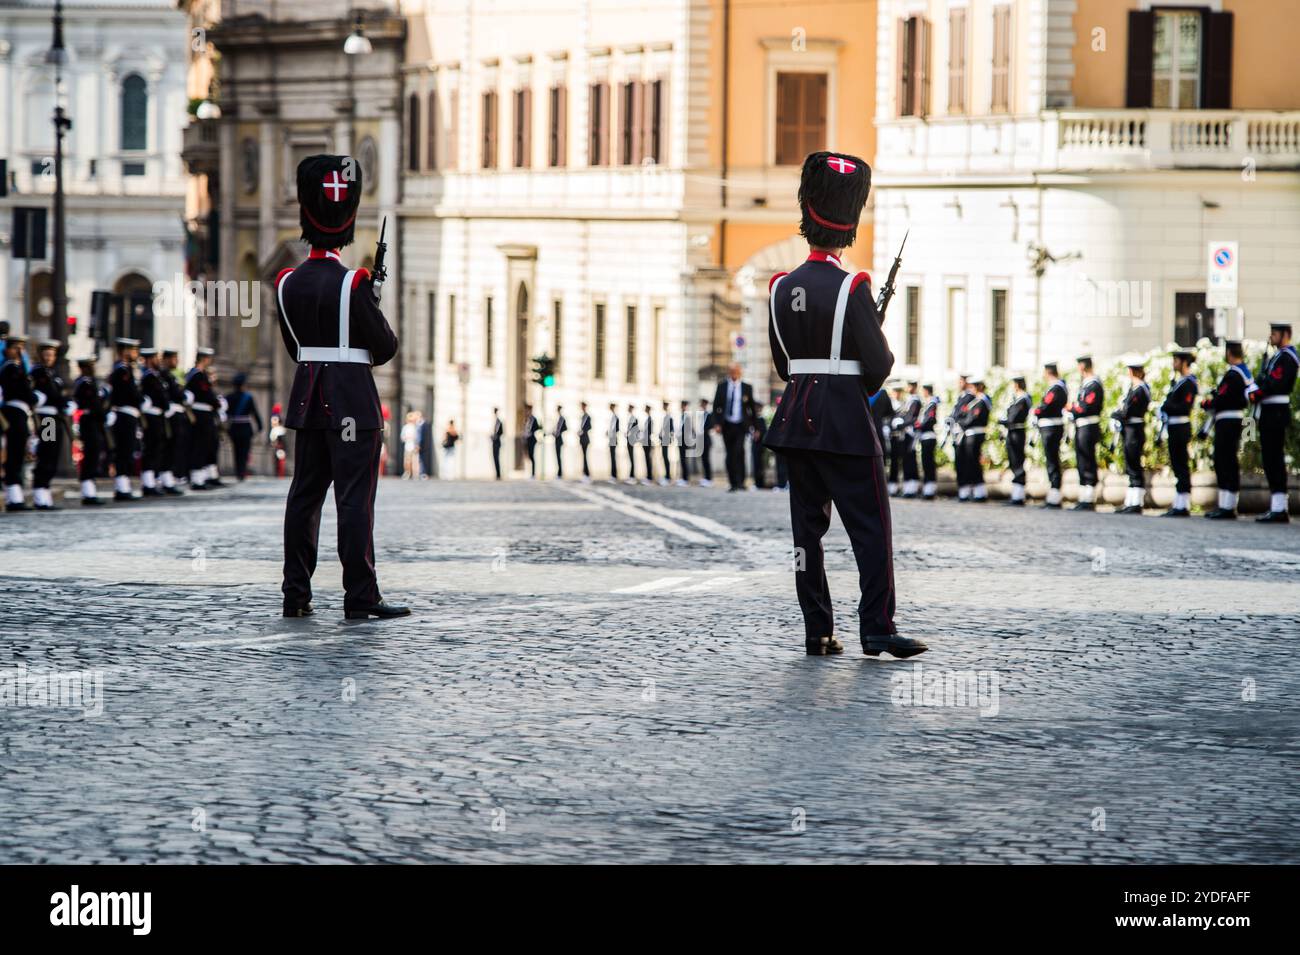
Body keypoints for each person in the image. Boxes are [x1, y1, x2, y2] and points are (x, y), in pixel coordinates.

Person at [763, 149, 926, 660]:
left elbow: (785, 364)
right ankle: (876, 627)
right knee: (871, 530)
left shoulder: (779, 286)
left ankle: (818, 630)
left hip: (796, 420)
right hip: (844, 422)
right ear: (845, 227)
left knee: (805, 538)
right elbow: (878, 367)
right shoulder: (853, 285)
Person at [275, 153, 408, 620]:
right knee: (355, 502)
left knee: (304, 497)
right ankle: (360, 595)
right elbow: (386, 346)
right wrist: (367, 304)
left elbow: (295, 348)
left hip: (308, 400)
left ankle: (296, 593)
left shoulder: (286, 282)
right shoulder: (353, 282)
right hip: (352, 401)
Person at [1202, 340, 1257, 520]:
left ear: (1229, 353)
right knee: (1226, 459)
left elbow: (1223, 397)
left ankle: (1227, 505)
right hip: (1232, 419)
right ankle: (1226, 503)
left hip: (1227, 420)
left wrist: (1208, 403)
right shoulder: (1243, 372)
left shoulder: (1234, 374)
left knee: (1224, 459)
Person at [1253, 322, 1297, 523]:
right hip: (1270, 411)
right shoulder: (1278, 356)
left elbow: (1276, 383)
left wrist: (1258, 391)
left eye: (1275, 333)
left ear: (1285, 334)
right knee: (1270, 458)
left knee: (1274, 458)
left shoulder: (1287, 357)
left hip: (1276, 411)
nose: (1271, 337)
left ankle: (1280, 507)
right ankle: (1276, 505)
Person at [30, 339, 68, 510]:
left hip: (54, 418)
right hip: (47, 420)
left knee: (52, 454)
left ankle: (45, 493)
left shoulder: (52, 373)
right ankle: (40, 493)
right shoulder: (40, 372)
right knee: (47, 453)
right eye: (46, 354)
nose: (49, 358)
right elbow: (53, 395)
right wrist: (63, 402)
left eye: (51, 355)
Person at [1159, 349, 1197, 518]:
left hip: (1181, 426)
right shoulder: (1178, 382)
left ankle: (1184, 504)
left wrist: (1167, 407)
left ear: (1183, 362)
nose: (1173, 364)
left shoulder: (1189, 383)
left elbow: (1184, 407)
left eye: (1176, 361)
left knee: (1181, 464)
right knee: (1176, 463)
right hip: (1174, 427)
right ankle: (1179, 502)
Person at [1112, 359, 1150, 514]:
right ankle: (1131, 500)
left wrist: (1116, 414)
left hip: (1134, 429)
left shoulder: (1140, 389)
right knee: (1130, 463)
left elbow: (1129, 410)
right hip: (1130, 429)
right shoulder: (1134, 388)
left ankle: (1137, 502)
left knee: (1134, 464)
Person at [1, 334, 34, 511]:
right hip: (47, 419)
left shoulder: (27, 370)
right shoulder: (13, 369)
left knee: (43, 449)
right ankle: (38, 492)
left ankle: (40, 494)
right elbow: (26, 392)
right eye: (16, 348)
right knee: (45, 448)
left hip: (36, 416)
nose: (20, 352)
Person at [108, 337, 142, 502]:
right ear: (125, 351)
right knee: (124, 451)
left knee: (128, 451)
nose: (136, 353)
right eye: (133, 350)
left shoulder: (127, 370)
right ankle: (121, 487)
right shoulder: (122, 371)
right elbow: (128, 393)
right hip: (47, 420)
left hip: (129, 415)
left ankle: (124, 486)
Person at [1068, 354, 1104, 511]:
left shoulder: (1093, 384)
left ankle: (1089, 496)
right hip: (1081, 425)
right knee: (1081, 459)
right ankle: (1084, 495)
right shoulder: (1086, 384)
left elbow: (1086, 407)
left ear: (1082, 366)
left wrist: (1072, 409)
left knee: (1087, 459)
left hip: (1089, 425)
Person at [712, 363, 755, 492]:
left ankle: (740, 481)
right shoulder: (722, 386)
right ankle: (733, 482)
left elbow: (751, 408)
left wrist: (755, 426)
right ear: (729, 372)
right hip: (727, 424)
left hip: (741, 425)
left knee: (738, 451)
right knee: (730, 454)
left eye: (736, 371)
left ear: (740, 372)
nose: (734, 373)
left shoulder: (747, 387)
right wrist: (717, 424)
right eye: (732, 371)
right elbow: (716, 406)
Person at [72, 357, 108, 505]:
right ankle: (87, 490)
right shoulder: (85, 383)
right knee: (91, 453)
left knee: (95, 452)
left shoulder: (92, 383)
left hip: (92, 421)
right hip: (49, 420)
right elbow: (93, 404)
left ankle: (89, 489)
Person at [1032, 362, 1068, 508]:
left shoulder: (1056, 388)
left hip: (1051, 428)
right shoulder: (1057, 387)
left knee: (1052, 460)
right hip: (1050, 427)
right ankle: (1053, 493)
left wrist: (1035, 411)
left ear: (1048, 372)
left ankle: (1055, 494)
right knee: (1051, 460)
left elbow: (1046, 406)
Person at [137, 347, 170, 496]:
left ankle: (152, 480)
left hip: (158, 415)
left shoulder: (157, 376)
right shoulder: (148, 377)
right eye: (156, 358)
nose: (159, 360)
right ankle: (148, 482)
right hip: (151, 417)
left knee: (158, 448)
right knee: (151, 448)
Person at [186, 347, 219, 489]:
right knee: (199, 445)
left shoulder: (200, 375)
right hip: (201, 414)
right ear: (204, 359)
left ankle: (202, 477)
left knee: (206, 445)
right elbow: (206, 395)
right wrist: (217, 403)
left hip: (205, 414)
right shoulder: (198, 376)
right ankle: (197, 479)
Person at [956, 377, 991, 502]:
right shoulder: (976, 401)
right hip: (970, 435)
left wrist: (961, 422)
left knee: (975, 463)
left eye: (973, 386)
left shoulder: (981, 401)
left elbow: (971, 419)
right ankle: (976, 490)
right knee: (971, 463)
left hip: (976, 434)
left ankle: (979, 492)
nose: (971, 388)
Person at [159, 348, 188, 495]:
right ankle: (164, 478)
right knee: (167, 447)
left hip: (174, 413)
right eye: (174, 358)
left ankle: (167, 477)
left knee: (173, 447)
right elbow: (174, 394)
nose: (176, 361)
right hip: (168, 414)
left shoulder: (169, 375)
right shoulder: (162, 375)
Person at [999, 375, 1031, 506]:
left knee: (1018, 461)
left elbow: (1013, 417)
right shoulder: (1016, 399)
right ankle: (1016, 493)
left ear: (1017, 385)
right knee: (1013, 461)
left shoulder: (1023, 399)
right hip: (1011, 432)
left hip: (1017, 432)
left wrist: (1004, 421)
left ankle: (1019, 495)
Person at [225, 372, 263, 481]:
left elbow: (226, 412)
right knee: (244, 451)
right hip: (246, 427)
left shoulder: (229, 397)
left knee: (236, 450)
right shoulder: (248, 397)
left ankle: (238, 471)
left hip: (234, 427)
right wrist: (260, 425)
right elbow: (254, 412)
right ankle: (242, 471)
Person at [897, 380, 921, 497]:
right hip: (905, 433)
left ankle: (912, 487)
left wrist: (901, 424)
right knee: (906, 459)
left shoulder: (915, 401)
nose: (908, 388)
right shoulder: (909, 400)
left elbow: (912, 418)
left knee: (910, 459)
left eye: (910, 386)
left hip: (911, 433)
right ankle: (908, 487)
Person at [917, 384, 940, 499]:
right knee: (925, 463)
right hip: (924, 436)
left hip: (929, 436)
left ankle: (930, 489)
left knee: (929, 463)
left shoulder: (932, 404)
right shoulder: (927, 403)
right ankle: (927, 488)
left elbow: (929, 419)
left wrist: (918, 426)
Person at [750, 403, 768, 489]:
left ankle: (760, 483)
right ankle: (757, 482)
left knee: (760, 465)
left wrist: (759, 434)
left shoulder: (761, 419)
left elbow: (764, 432)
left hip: (760, 446)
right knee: (755, 464)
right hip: (754, 445)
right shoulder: (753, 419)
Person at [697, 398, 714, 486]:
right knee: (703, 459)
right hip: (701, 440)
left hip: (706, 440)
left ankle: (709, 478)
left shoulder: (709, 415)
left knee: (707, 459)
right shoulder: (700, 415)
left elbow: (710, 427)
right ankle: (705, 477)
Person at [676, 400, 693, 486]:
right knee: (682, 460)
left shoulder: (687, 417)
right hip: (681, 441)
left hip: (685, 441)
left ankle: (685, 478)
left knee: (684, 460)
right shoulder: (681, 416)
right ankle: (683, 477)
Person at [400, 411, 422, 479]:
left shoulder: (416, 427)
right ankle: (408, 472)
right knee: (407, 460)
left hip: (414, 445)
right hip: (408, 445)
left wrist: (417, 444)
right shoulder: (405, 427)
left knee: (415, 461)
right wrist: (406, 438)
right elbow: (402, 437)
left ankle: (415, 474)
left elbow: (418, 437)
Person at [657, 400, 674, 486]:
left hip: (666, 440)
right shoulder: (665, 417)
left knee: (666, 458)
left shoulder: (669, 417)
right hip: (663, 440)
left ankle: (668, 476)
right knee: (664, 458)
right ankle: (666, 476)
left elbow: (671, 430)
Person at [522, 404, 540, 478]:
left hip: (532, 440)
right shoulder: (526, 419)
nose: (527, 412)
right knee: (528, 456)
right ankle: (529, 472)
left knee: (532, 456)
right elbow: (525, 428)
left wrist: (530, 433)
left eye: (528, 410)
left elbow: (537, 428)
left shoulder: (533, 419)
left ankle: (533, 473)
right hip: (526, 440)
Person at [624, 403, 639, 483]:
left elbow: (636, 430)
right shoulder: (629, 418)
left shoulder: (634, 419)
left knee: (632, 458)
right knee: (630, 458)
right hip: (629, 440)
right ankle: (631, 476)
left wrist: (630, 434)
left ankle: (632, 476)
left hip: (631, 441)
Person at [578, 402, 592, 482]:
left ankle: (587, 474)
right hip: (582, 439)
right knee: (583, 457)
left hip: (585, 439)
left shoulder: (587, 417)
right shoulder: (583, 416)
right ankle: (585, 473)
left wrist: (583, 431)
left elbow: (589, 427)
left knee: (585, 457)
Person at [606, 403, 620, 481]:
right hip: (611, 440)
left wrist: (611, 432)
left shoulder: (615, 417)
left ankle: (614, 475)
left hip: (613, 440)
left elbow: (616, 429)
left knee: (613, 457)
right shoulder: (612, 417)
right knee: (612, 457)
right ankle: (613, 474)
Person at [553, 405, 568, 479]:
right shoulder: (557, 419)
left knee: (559, 456)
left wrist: (559, 432)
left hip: (559, 440)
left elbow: (565, 428)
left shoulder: (562, 419)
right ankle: (559, 472)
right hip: (556, 439)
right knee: (557, 456)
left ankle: (560, 473)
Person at [490, 408, 504, 480]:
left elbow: (501, 432)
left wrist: (495, 436)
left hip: (497, 443)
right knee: (495, 458)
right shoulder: (495, 422)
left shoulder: (499, 422)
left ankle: (498, 474)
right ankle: (497, 474)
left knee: (497, 458)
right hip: (494, 442)